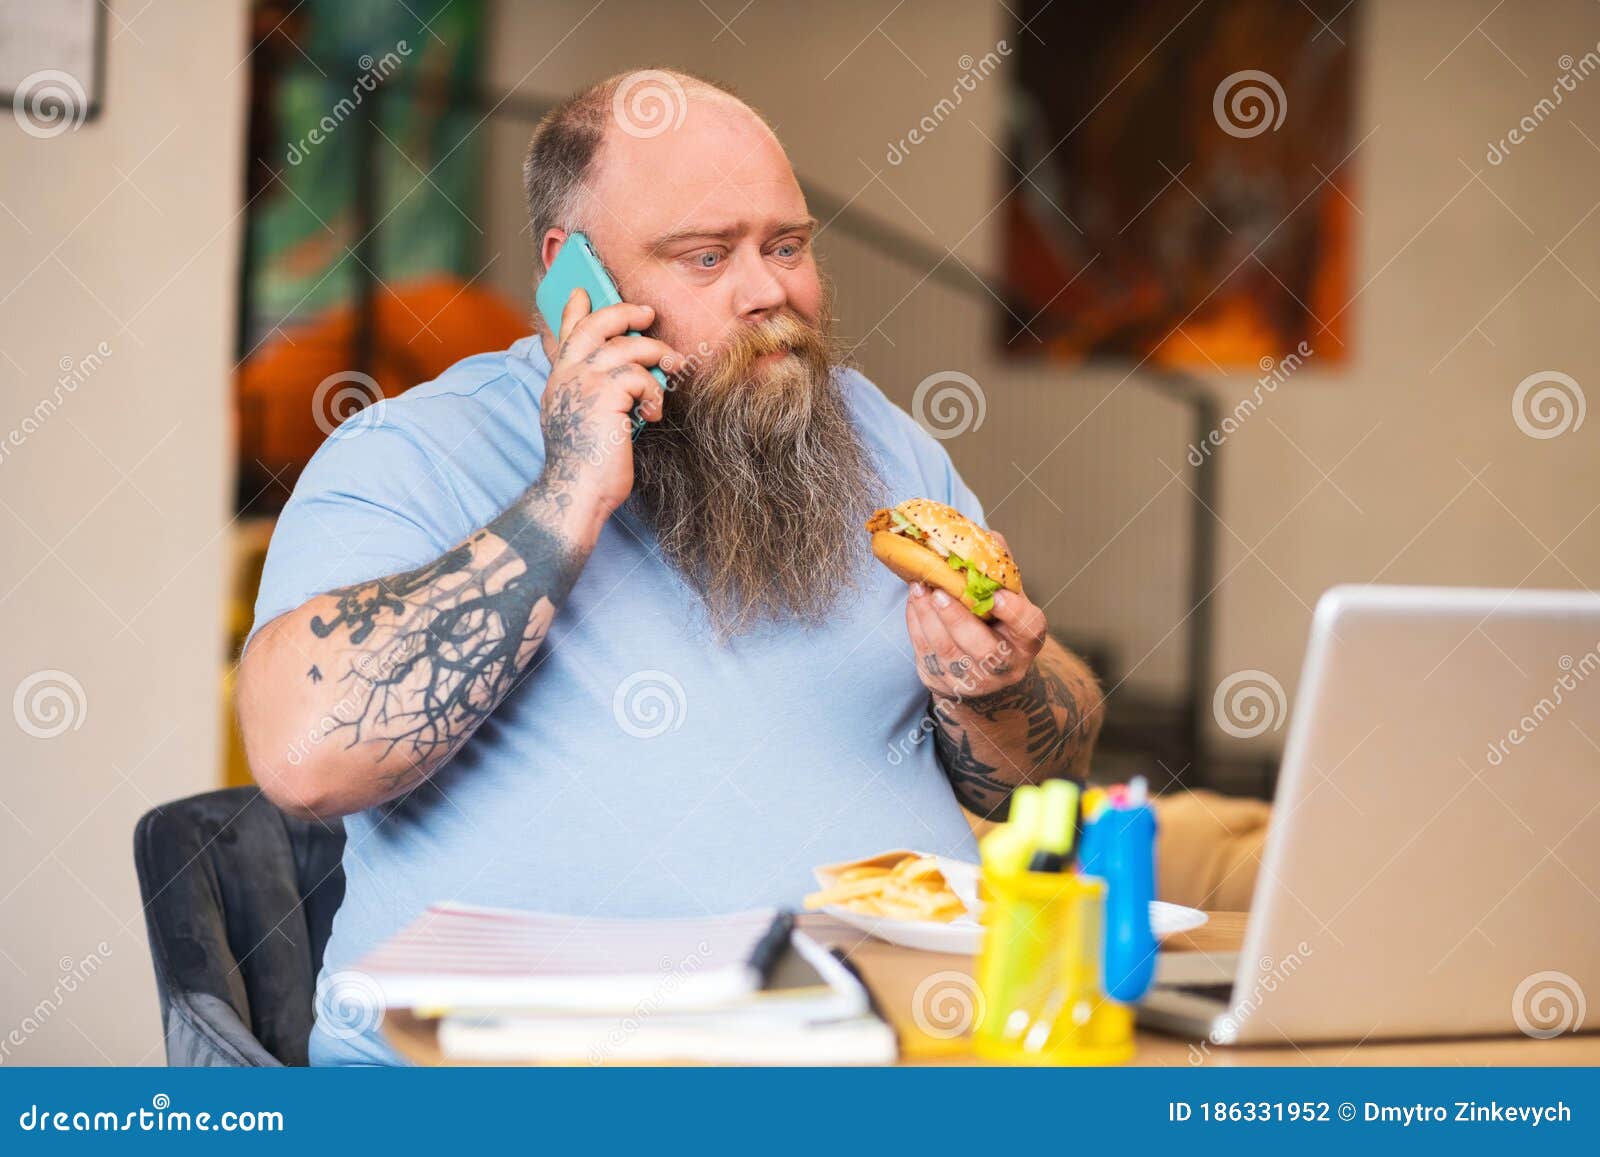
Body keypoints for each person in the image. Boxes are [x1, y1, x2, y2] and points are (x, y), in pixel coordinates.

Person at [235, 69, 1103, 1065]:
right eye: (705, 256)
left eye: (787, 246)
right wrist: (566, 496)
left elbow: (1038, 778)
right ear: (574, 281)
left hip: (896, 1060)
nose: (768, 290)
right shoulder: (410, 452)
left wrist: (994, 687)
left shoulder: (888, 447)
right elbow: (305, 759)